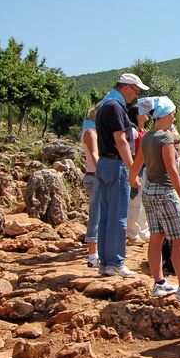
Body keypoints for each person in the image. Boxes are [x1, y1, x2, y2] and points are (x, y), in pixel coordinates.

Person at [128, 97, 180, 301]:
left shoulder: (148, 136)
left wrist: (133, 180)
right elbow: (173, 172)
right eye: (173, 113)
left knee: (156, 238)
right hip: (166, 192)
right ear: (166, 115)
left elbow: (137, 163)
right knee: (179, 240)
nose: (175, 116)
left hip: (149, 191)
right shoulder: (165, 139)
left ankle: (159, 283)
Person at [95, 73, 148, 278]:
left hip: (104, 163)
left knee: (106, 215)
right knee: (118, 216)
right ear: (126, 87)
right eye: (135, 91)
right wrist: (132, 168)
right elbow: (121, 140)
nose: (135, 97)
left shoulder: (104, 105)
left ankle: (105, 262)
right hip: (117, 164)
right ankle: (116, 262)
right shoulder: (115, 107)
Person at [126, 104, 151, 246]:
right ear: (137, 115)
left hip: (144, 168)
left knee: (141, 201)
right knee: (134, 201)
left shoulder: (143, 131)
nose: (147, 114)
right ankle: (132, 233)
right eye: (143, 112)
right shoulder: (133, 131)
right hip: (137, 168)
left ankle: (141, 230)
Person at [81, 110, 100, 268]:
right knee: (96, 216)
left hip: (91, 175)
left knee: (97, 215)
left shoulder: (88, 130)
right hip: (96, 176)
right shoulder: (92, 132)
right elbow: (95, 155)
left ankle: (95, 253)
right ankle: (92, 255)